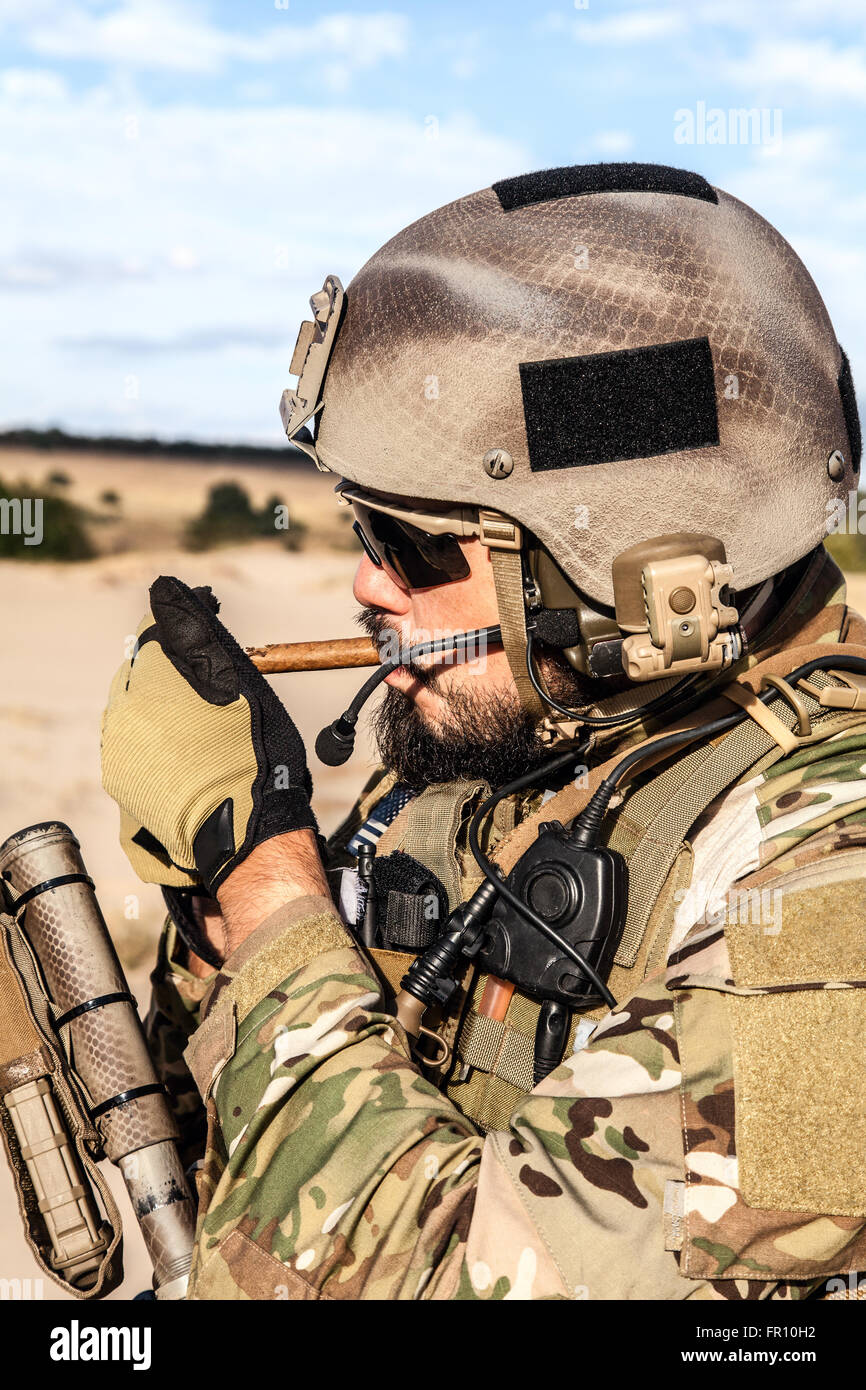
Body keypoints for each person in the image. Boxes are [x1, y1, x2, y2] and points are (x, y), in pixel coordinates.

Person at [102, 163, 866, 1300]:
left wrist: (269, 892)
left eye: (410, 544)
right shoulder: (504, 756)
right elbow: (220, 1158)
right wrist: (212, 910)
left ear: (618, 574)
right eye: (360, 524)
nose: (364, 581)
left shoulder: (828, 889)